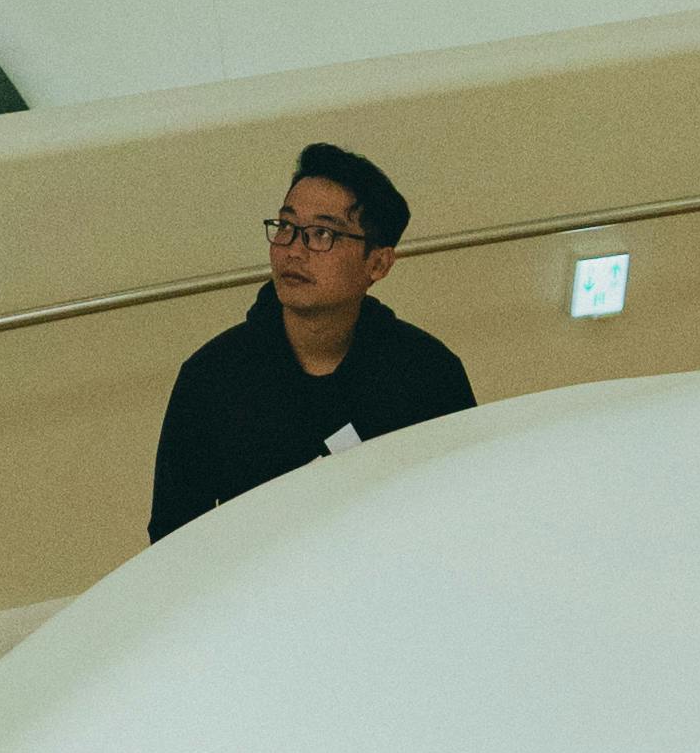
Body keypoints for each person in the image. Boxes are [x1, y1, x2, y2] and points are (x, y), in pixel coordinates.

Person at [146, 143, 475, 540]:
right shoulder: (213, 378)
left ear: (378, 263)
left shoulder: (426, 373)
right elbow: (173, 537)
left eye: (322, 234)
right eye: (286, 227)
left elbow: (461, 509)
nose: (293, 251)